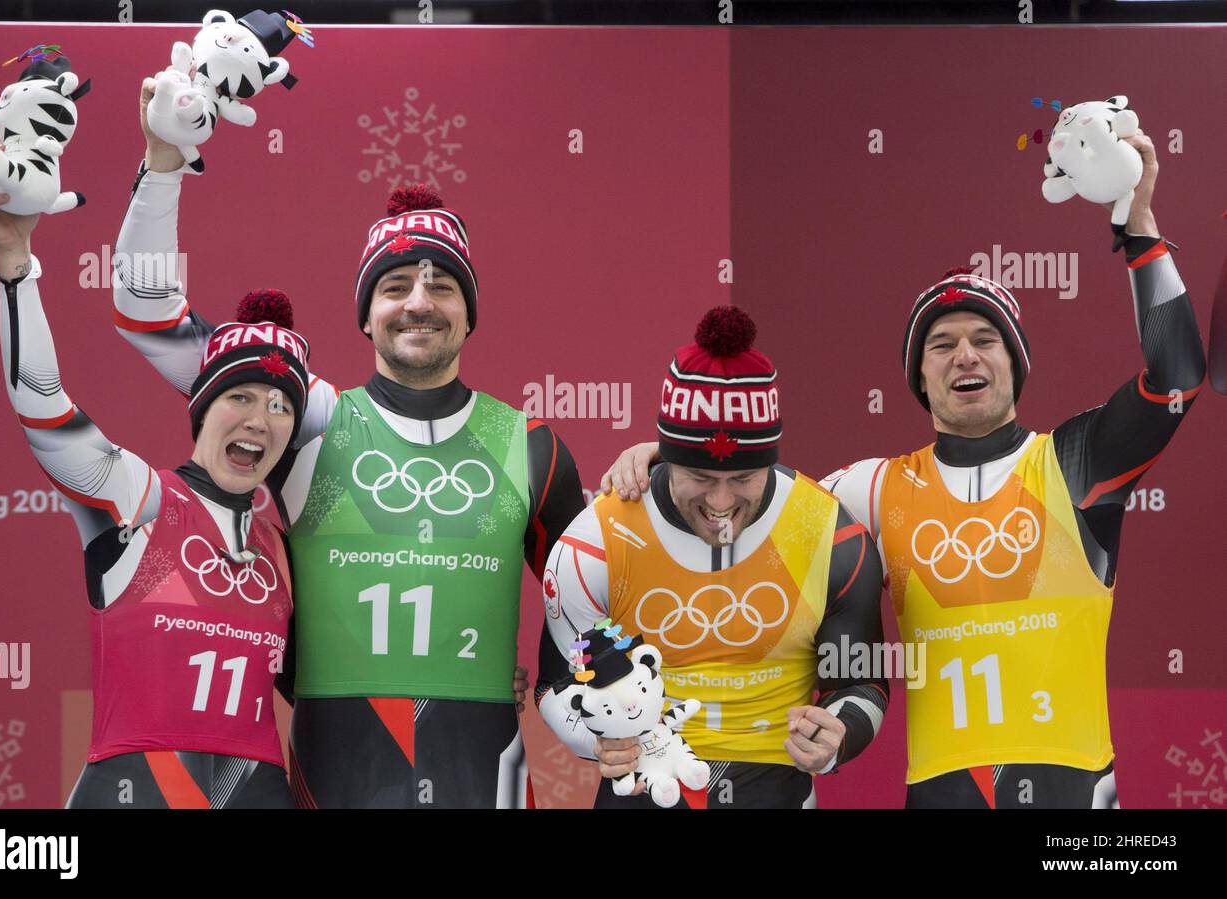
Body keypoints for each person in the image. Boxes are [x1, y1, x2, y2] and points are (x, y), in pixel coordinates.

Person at [603, 133, 1205, 808]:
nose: (965, 356)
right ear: (920, 376)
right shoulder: (870, 488)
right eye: (942, 345)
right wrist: (677, 459)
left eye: (986, 340)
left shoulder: (1072, 463)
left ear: (1016, 362)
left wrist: (1140, 227)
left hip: (1077, 794)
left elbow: (1177, 377)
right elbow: (738, 499)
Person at [110, 78, 585, 808]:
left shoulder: (532, 446)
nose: (419, 303)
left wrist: (651, 466)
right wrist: (164, 162)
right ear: (366, 315)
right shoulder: (308, 418)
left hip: (482, 768)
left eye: (442, 287)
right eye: (394, 285)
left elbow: (594, 602)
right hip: (335, 767)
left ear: (470, 315)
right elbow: (146, 317)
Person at [0, 192, 313, 808]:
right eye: (240, 397)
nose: (262, 420)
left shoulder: (282, 551)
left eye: (281, 406)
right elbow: (41, 406)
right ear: (203, 406)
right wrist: (17, 266)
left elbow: (330, 691)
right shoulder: (139, 498)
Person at [538, 307, 889, 808]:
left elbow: (860, 682)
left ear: (770, 460)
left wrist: (841, 734)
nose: (721, 504)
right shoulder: (595, 540)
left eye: (743, 478)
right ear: (663, 455)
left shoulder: (829, 534)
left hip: (777, 788)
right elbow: (554, 685)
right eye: (700, 478)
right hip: (647, 782)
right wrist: (597, 741)